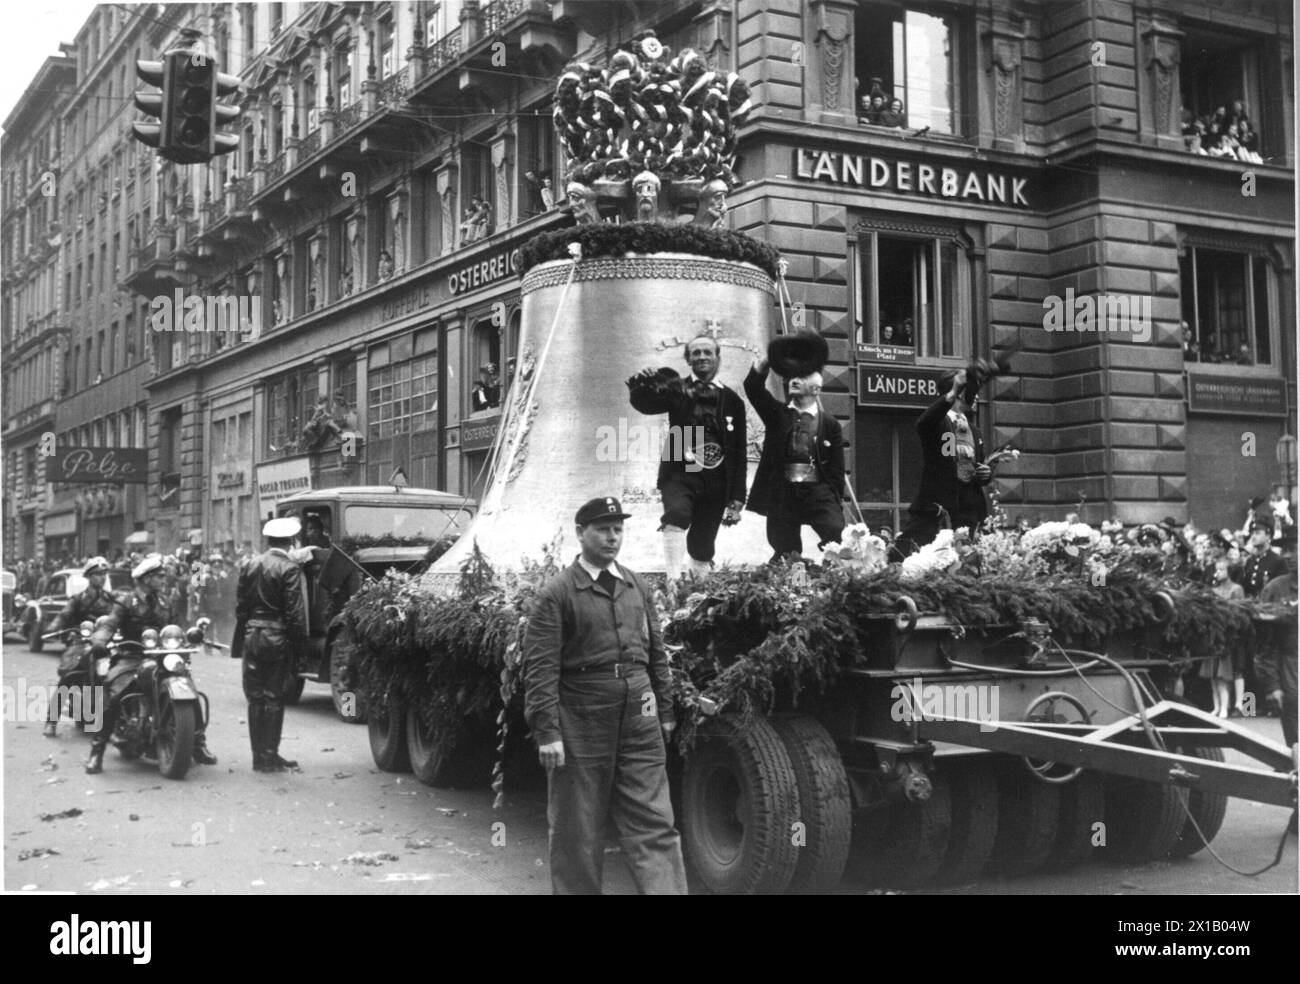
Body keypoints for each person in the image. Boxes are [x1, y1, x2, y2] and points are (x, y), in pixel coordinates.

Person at [522, 497, 686, 894]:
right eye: (603, 529)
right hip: (582, 716)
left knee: (654, 821)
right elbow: (541, 669)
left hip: (639, 715)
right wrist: (547, 732)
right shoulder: (558, 593)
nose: (613, 537)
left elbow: (656, 653)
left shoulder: (636, 585)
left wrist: (663, 709)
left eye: (618, 529)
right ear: (581, 534)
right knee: (578, 825)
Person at [85, 555, 219, 774]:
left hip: (161, 656)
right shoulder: (127, 600)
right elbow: (109, 625)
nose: (163, 579)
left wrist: (192, 633)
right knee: (114, 694)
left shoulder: (166, 601)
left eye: (163, 575)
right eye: (159, 576)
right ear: (146, 579)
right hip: (132, 656)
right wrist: (99, 641)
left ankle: (198, 744)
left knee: (189, 687)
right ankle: (97, 751)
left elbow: (177, 628)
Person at [628, 335, 747, 579]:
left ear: (717, 358)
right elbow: (647, 404)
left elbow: (739, 451)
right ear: (688, 360)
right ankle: (673, 583)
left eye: (707, 352)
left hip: (716, 476)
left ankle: (696, 595)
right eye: (696, 353)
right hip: (681, 470)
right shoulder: (676, 389)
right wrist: (642, 383)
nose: (702, 357)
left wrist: (737, 497)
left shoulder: (733, 400)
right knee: (676, 515)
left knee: (703, 544)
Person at [742, 355, 846, 562]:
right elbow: (753, 388)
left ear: (816, 390)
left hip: (817, 489)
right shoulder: (776, 413)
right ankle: (793, 586)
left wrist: (834, 498)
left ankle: (833, 577)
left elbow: (836, 468)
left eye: (802, 378)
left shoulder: (830, 424)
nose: (794, 381)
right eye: (791, 378)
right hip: (783, 490)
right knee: (786, 548)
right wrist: (766, 362)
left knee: (835, 532)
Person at [234, 517, 308, 773]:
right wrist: (300, 647)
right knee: (274, 698)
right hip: (277, 639)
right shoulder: (289, 569)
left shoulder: (249, 564)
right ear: (291, 542)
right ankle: (270, 754)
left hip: (251, 635)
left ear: (268, 540)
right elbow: (295, 613)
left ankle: (258, 758)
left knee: (255, 699)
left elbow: (240, 607)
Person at [894, 367, 993, 557]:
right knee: (911, 560)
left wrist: (985, 474)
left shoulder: (975, 431)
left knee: (965, 566)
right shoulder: (937, 423)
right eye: (972, 391)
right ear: (960, 394)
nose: (977, 397)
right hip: (936, 511)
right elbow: (923, 423)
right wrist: (952, 393)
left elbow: (975, 468)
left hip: (967, 512)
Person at [43, 557, 116, 738]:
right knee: (69, 675)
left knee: (120, 672)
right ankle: (51, 721)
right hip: (81, 640)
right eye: (98, 574)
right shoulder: (78, 599)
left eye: (104, 574)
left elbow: (119, 616)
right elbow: (64, 615)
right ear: (89, 577)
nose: (102, 577)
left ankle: (117, 722)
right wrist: (53, 626)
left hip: (104, 641)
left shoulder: (110, 599)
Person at [1255, 527, 1297, 756]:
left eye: (1293, 549)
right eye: (1285, 550)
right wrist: (1272, 686)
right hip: (1291, 674)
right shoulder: (1275, 589)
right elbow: (1264, 644)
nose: (1287, 556)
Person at [1200, 558, 1244, 718]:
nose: (1216, 573)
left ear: (1229, 571)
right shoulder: (1213, 590)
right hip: (1215, 635)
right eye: (1216, 569)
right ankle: (1217, 706)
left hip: (1230, 635)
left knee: (1228, 672)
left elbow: (1239, 612)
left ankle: (1236, 706)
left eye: (1221, 570)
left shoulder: (1236, 589)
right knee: (1213, 673)